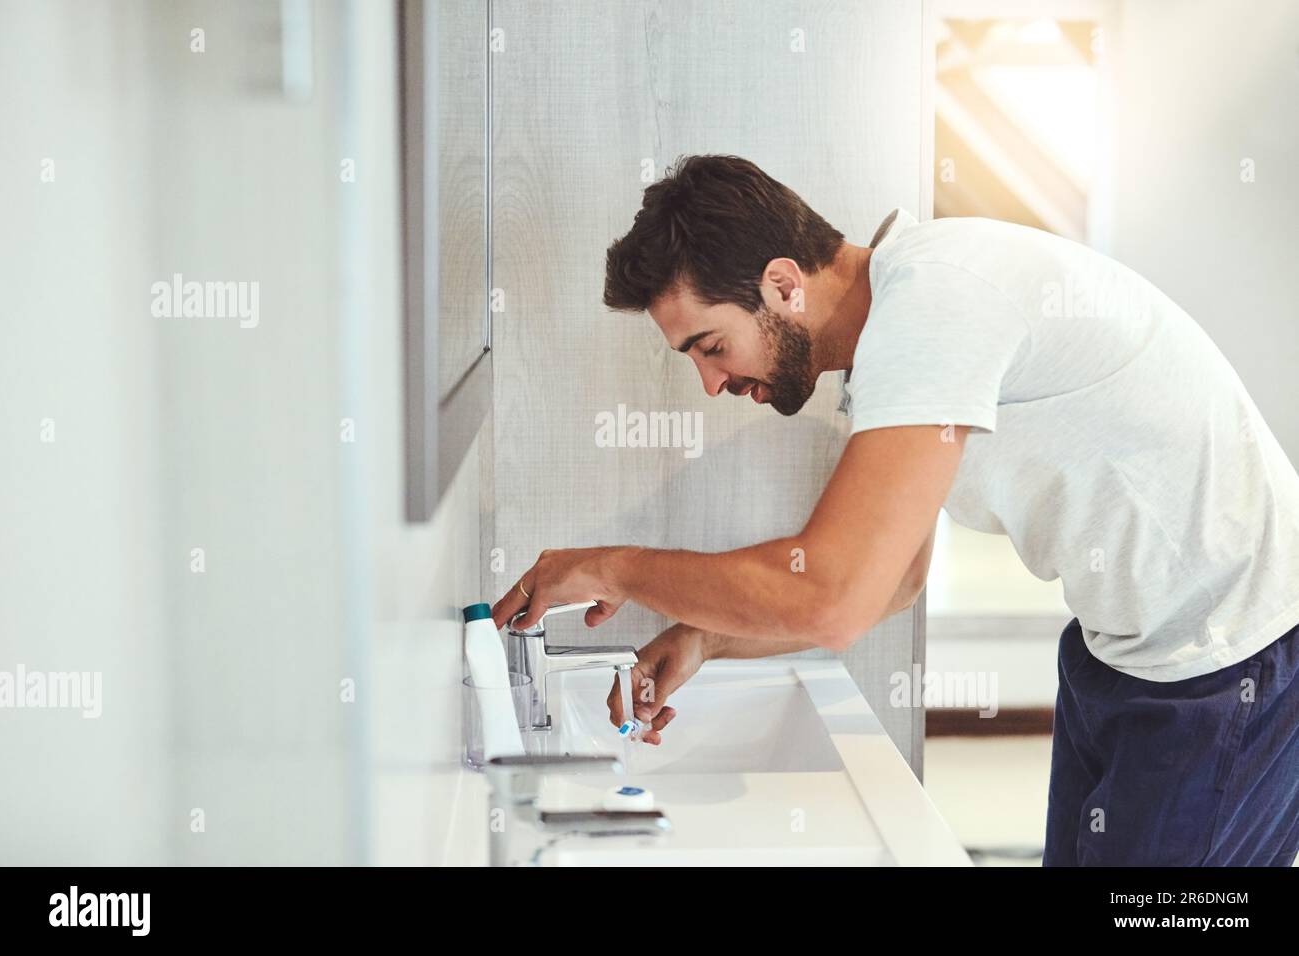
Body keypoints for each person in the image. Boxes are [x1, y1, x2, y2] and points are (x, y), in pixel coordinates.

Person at [490, 155, 1299, 866]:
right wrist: (706, 638)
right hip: (1126, 654)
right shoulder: (899, 341)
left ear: (781, 284)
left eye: (710, 346)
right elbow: (896, 581)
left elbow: (834, 596)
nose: (712, 383)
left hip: (1232, 655)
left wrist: (616, 567)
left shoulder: (934, 308)